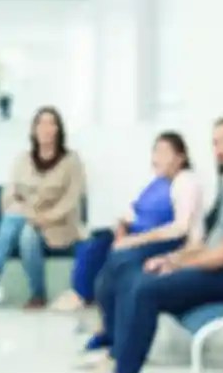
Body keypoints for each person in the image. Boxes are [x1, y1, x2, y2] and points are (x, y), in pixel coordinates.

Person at [87, 117, 223, 373]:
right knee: (134, 276)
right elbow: (207, 243)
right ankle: (116, 358)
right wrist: (171, 257)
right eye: (215, 143)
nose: (220, 149)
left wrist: (179, 264)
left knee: (144, 289)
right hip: (217, 269)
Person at [57, 132, 203, 352]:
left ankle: (111, 334)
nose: (157, 157)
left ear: (181, 157)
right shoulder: (158, 182)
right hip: (140, 236)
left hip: (171, 243)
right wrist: (122, 229)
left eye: (165, 152)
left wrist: (133, 240)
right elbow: (133, 211)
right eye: (156, 150)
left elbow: (180, 228)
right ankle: (96, 314)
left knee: (117, 264)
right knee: (95, 245)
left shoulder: (186, 181)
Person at [0, 106, 85, 309]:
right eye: (40, 123)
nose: (45, 128)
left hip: (58, 226)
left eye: (50, 123)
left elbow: (71, 199)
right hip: (25, 218)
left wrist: (46, 218)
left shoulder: (71, 161)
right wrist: (27, 212)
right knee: (18, 224)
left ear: (58, 130)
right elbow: (10, 194)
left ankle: (35, 293)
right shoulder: (22, 159)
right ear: (34, 130)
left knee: (25, 230)